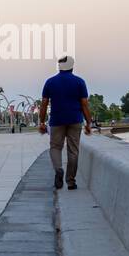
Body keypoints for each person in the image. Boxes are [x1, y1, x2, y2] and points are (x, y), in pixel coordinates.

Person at [39, 55, 92, 190]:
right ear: (72, 66)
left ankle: (58, 169)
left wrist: (42, 122)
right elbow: (84, 104)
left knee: (55, 147)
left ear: (59, 67)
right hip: (75, 120)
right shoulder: (79, 82)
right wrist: (89, 123)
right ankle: (71, 181)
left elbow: (44, 104)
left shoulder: (50, 82)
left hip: (57, 120)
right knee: (73, 150)